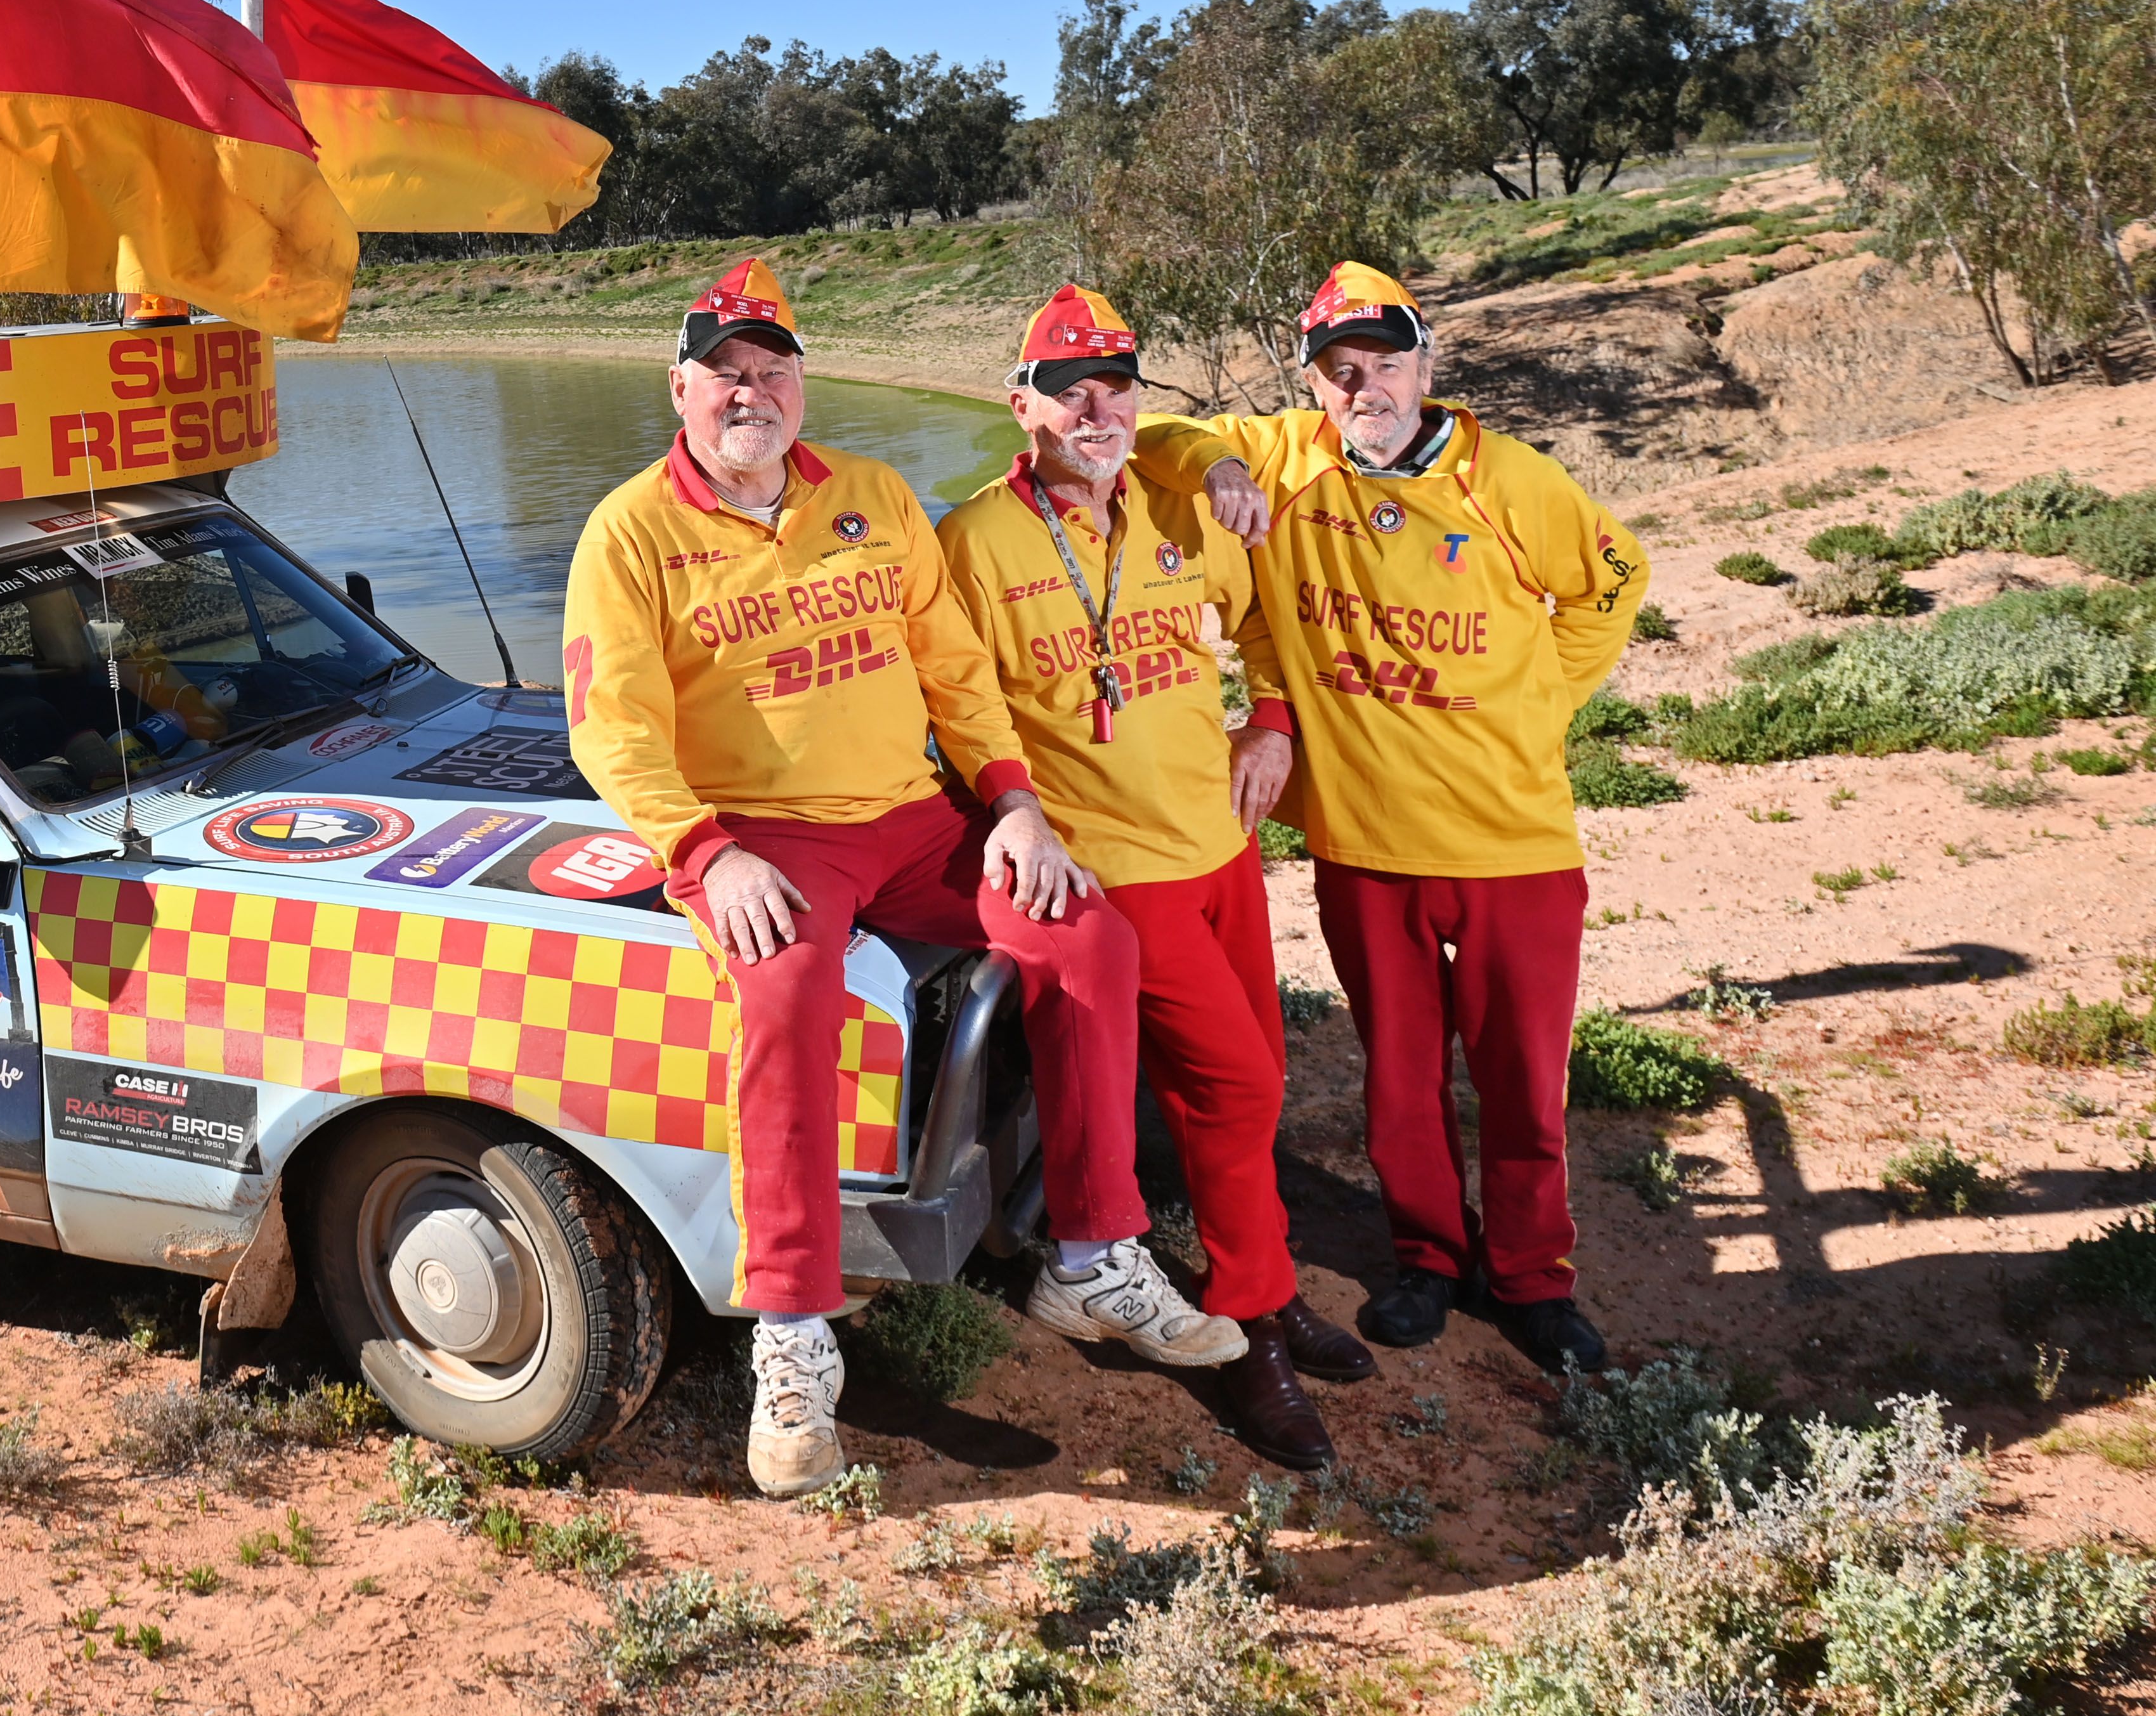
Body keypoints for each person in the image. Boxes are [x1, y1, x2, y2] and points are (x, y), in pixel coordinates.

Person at [564, 257, 1245, 1502]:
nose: (750, 393)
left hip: (915, 820)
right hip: (771, 837)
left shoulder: (874, 495)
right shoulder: (631, 532)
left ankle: (1094, 1251)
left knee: (1084, 933)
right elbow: (612, 725)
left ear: (801, 385)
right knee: (781, 998)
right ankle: (792, 1336)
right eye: (724, 376)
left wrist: (1017, 809)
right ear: (680, 391)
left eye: (771, 371)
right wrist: (707, 851)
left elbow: (955, 674)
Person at [1140, 262, 1650, 1374]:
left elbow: (1615, 580)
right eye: (1337, 368)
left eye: (1384, 361)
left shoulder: (1510, 480)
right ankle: (1425, 1260)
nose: (1362, 385)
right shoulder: (1287, 458)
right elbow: (1153, 437)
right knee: (1401, 1075)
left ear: (1427, 364)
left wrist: (1537, 702)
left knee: (1522, 1077)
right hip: (1366, 848)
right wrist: (1224, 461)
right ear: (1312, 381)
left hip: (1514, 845)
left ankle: (1531, 1279)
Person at [933, 287, 1376, 1469]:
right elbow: (953, 703)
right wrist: (1011, 814)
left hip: (1223, 844)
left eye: (1118, 383)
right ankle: (1248, 1339)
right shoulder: (976, 540)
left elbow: (1268, 622)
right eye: (1067, 386)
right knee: (1233, 1088)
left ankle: (1265, 1293)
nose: (1096, 406)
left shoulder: (1186, 502)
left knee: (1256, 1079)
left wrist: (1271, 720)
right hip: (1113, 867)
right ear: (1017, 405)